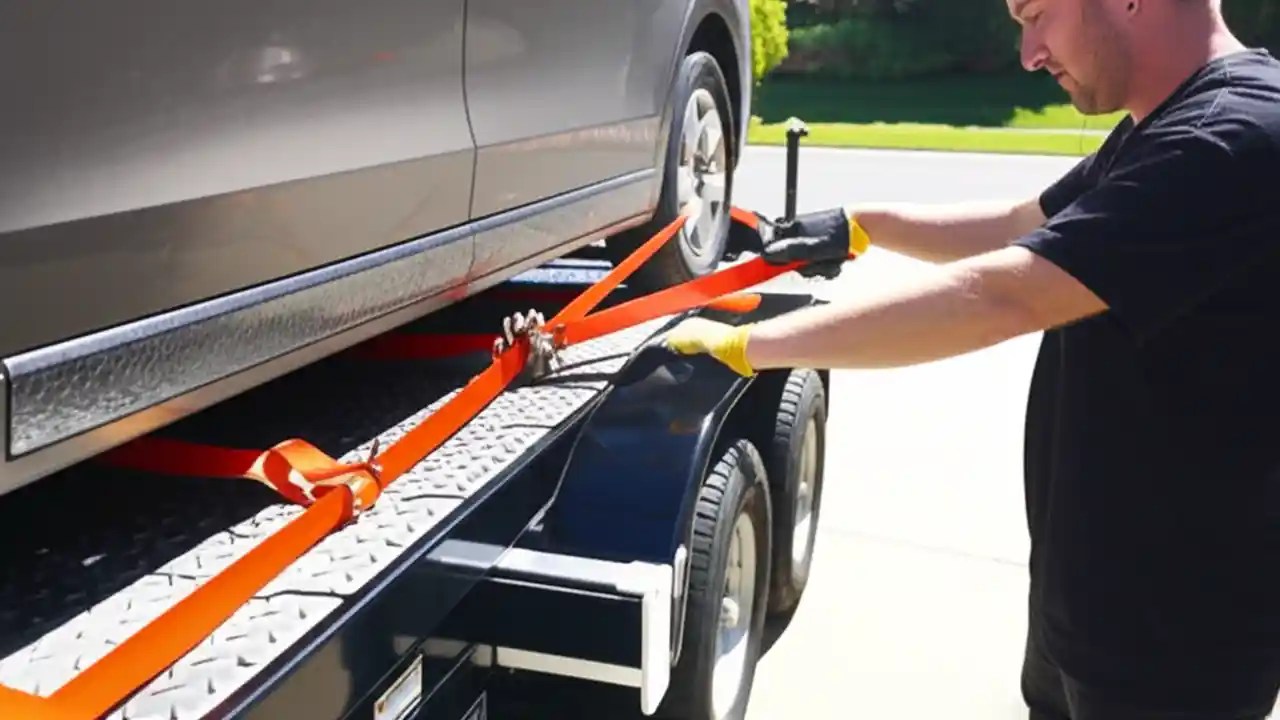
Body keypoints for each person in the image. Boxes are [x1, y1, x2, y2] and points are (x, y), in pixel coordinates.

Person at [665, 0, 1280, 718]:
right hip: (1091, 604)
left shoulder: (1234, 137)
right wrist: (860, 226)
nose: (1029, 53)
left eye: (1037, 14)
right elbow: (1026, 226)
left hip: (1174, 647)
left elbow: (1006, 296)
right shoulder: (1171, 122)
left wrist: (752, 346)